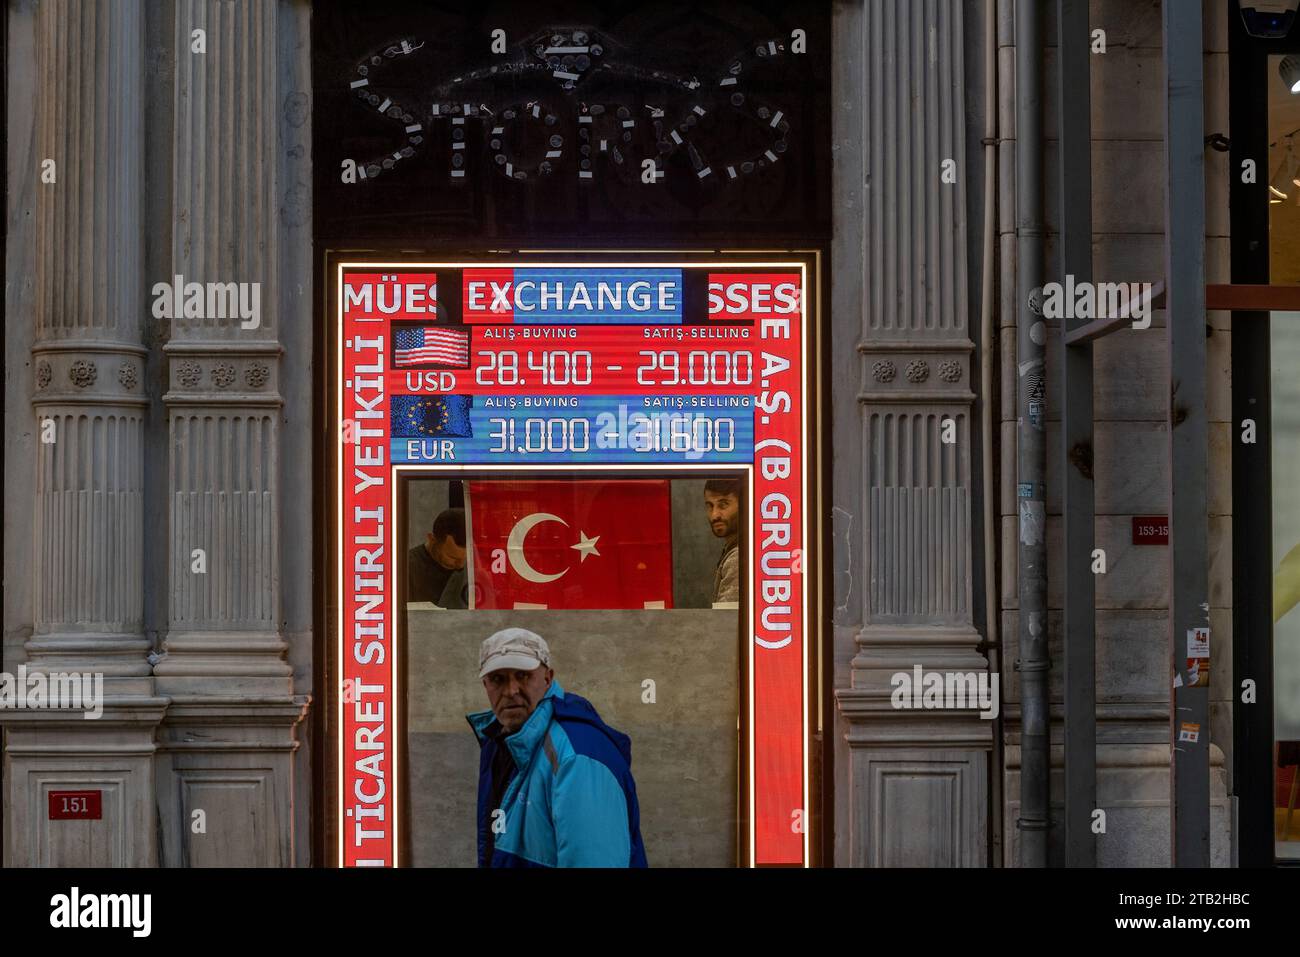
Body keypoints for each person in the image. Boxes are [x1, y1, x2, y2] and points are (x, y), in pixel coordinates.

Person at [466, 627, 647, 868]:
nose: (511, 691)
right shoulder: (504, 742)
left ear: (548, 677)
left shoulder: (576, 755)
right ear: (485, 684)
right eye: (498, 679)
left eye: (523, 676)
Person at [407, 508, 467, 607]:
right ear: (432, 539)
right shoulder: (407, 569)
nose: (460, 566)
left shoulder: (476, 569)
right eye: (452, 557)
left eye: (466, 558)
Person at [704, 479, 741, 604]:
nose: (714, 515)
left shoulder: (738, 557)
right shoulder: (734, 550)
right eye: (710, 506)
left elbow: (726, 621)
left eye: (723, 504)